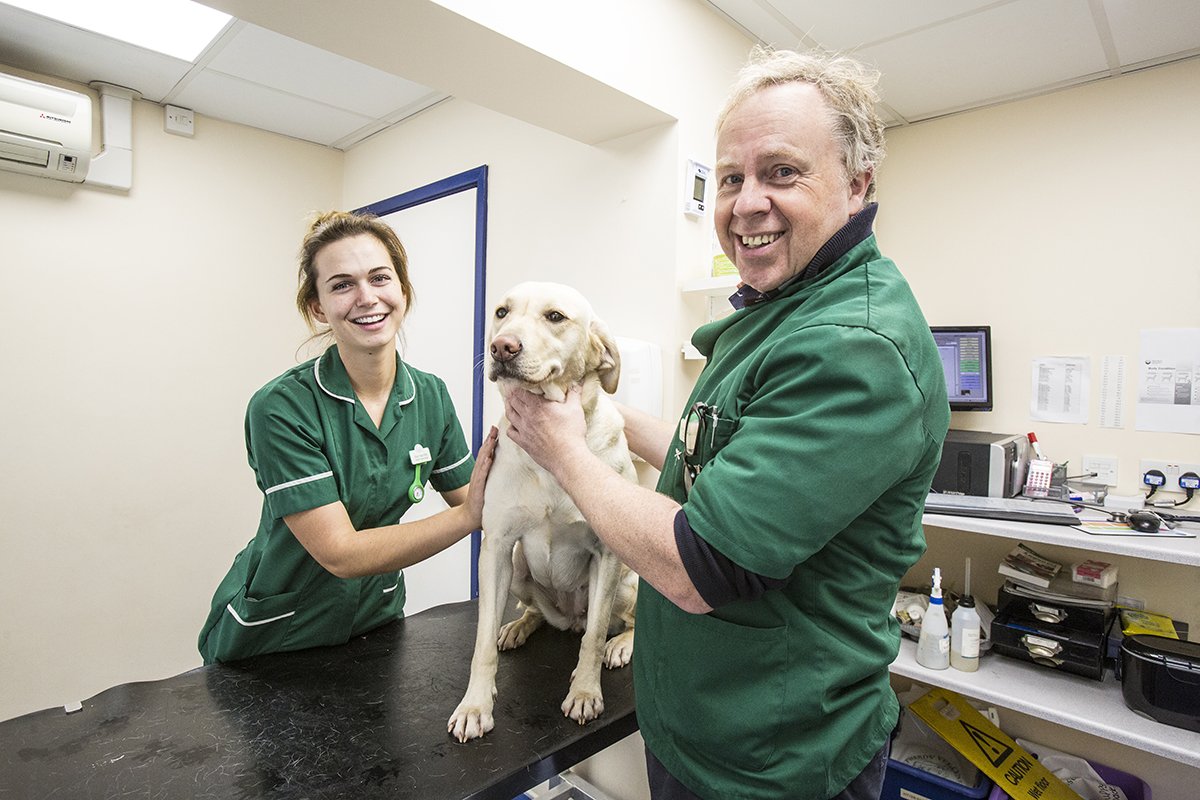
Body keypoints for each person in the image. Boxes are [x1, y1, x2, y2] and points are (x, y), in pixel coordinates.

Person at [500, 47, 950, 800]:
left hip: (770, 761)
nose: (746, 203)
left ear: (858, 184)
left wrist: (565, 450)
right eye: (731, 178)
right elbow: (706, 452)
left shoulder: (854, 348)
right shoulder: (781, 308)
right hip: (697, 722)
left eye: (782, 172)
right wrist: (596, 411)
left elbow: (700, 565)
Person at [199, 211, 497, 665]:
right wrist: (468, 516)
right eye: (342, 285)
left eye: (380, 278)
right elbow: (340, 553)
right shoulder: (281, 406)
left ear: (402, 290)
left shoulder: (430, 395)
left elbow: (484, 501)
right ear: (318, 307)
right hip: (277, 636)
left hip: (375, 623)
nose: (367, 297)